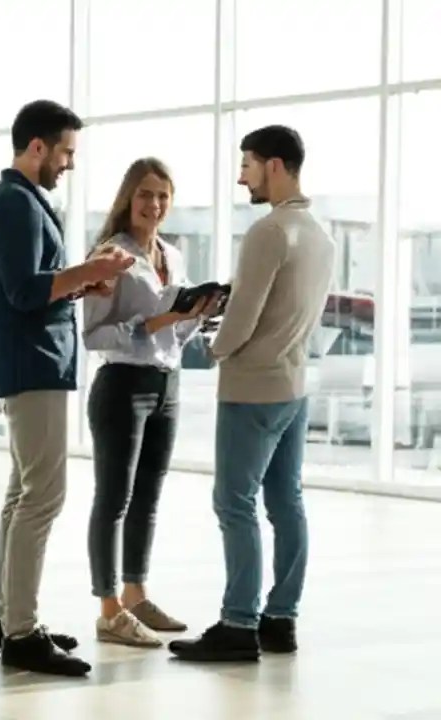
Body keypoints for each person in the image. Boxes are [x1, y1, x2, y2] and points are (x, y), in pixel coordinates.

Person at [0, 99, 135, 677]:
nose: (69, 163)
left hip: (34, 364)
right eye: (66, 151)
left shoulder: (20, 202)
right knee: (42, 498)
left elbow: (34, 287)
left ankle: (12, 619)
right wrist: (91, 273)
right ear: (37, 147)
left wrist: (76, 286)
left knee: (22, 497)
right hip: (34, 366)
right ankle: (21, 632)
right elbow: (22, 291)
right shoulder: (16, 204)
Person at [170, 125, 335, 662]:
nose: (242, 176)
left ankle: (238, 623)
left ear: (276, 165)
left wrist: (212, 348)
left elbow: (244, 317)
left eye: (248, 164)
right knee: (286, 502)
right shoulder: (320, 234)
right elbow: (288, 308)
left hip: (252, 387)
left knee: (234, 502)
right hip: (293, 385)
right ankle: (280, 619)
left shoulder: (269, 232)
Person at [82, 158, 219, 648]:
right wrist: (158, 322)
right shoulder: (111, 256)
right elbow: (93, 334)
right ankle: (108, 609)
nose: (154, 205)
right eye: (145, 194)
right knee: (113, 499)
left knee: (149, 500)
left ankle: (137, 595)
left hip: (167, 386)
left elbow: (173, 335)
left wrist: (195, 315)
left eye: (163, 195)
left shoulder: (172, 256)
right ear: (127, 198)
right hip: (121, 385)